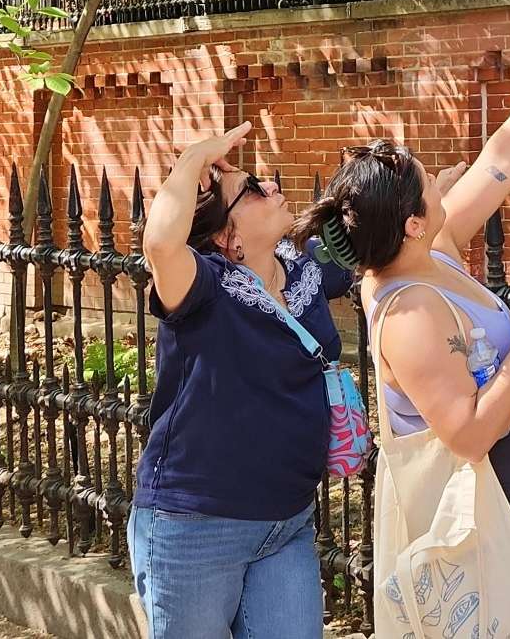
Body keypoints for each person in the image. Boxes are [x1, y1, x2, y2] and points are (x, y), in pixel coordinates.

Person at [295, 15, 510, 638]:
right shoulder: (409, 314)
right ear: (412, 224)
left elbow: (502, 156)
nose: (438, 174)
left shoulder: (432, 248)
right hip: (482, 497)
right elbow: (469, 435)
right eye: (425, 180)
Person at [130, 120, 348, 638]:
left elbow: (390, 238)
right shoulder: (205, 285)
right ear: (227, 237)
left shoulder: (302, 269)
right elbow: (161, 245)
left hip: (286, 522)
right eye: (252, 190)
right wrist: (192, 160)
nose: (272, 186)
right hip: (197, 528)